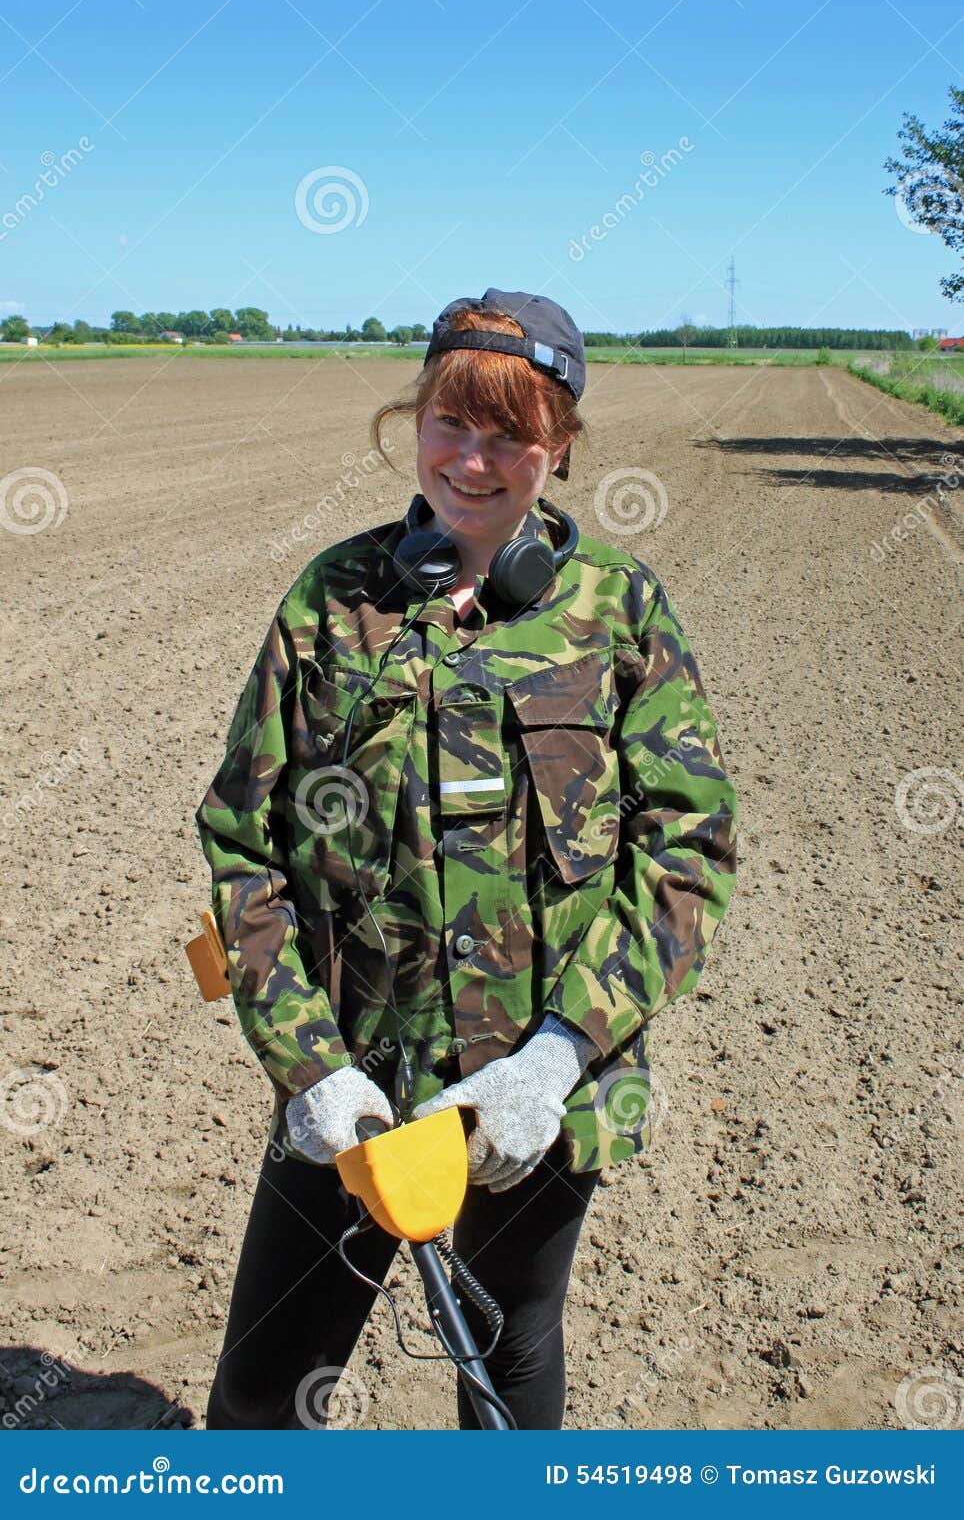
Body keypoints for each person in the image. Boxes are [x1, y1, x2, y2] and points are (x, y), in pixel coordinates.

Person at [195, 287, 738, 1431]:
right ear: (415, 418)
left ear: (560, 448)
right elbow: (245, 845)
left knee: (508, 1356)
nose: (475, 460)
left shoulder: (618, 613)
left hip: (533, 1096)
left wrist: (556, 1057)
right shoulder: (331, 602)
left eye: (512, 434)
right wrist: (312, 1068)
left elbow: (685, 851)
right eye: (452, 421)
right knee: (262, 1386)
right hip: (354, 1091)